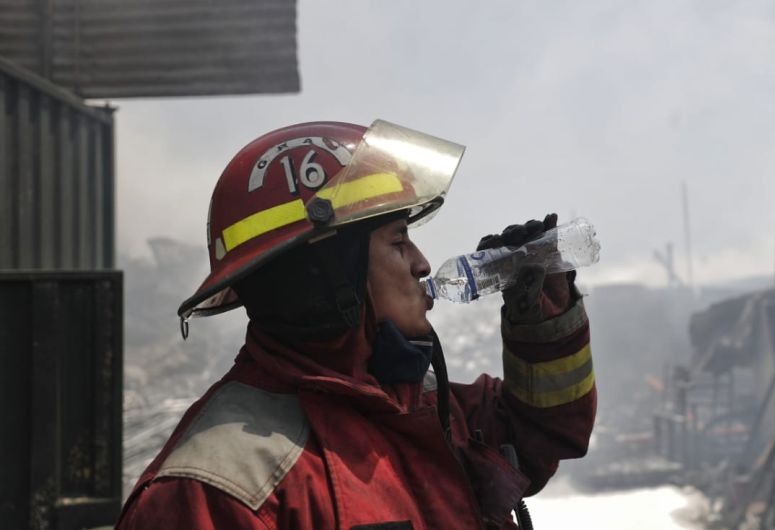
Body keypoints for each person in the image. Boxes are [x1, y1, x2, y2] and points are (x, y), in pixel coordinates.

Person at [116, 120, 596, 529]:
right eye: (398, 241)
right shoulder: (213, 492)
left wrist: (542, 310)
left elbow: (543, 434)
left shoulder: (416, 405)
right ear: (326, 273)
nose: (423, 264)